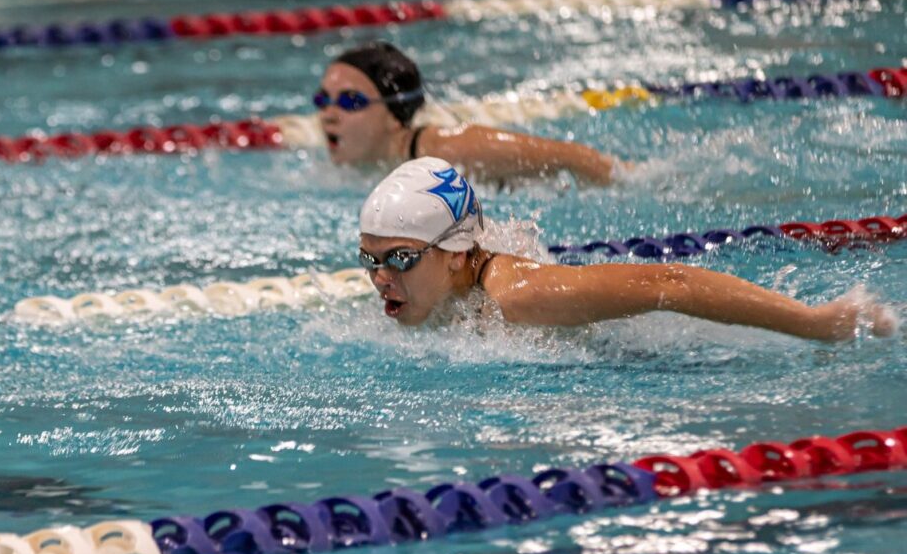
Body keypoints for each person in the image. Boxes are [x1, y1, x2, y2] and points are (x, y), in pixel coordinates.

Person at [357, 156, 898, 341]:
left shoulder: (519, 297)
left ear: (455, 253)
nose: (381, 277)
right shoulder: (440, 287)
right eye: (370, 260)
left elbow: (671, 284)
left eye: (400, 258)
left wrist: (816, 323)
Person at [315, 41, 624, 186]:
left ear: (393, 115)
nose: (328, 114)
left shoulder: (450, 149)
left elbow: (569, 156)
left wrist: (627, 180)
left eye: (350, 102)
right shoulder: (362, 167)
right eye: (323, 99)